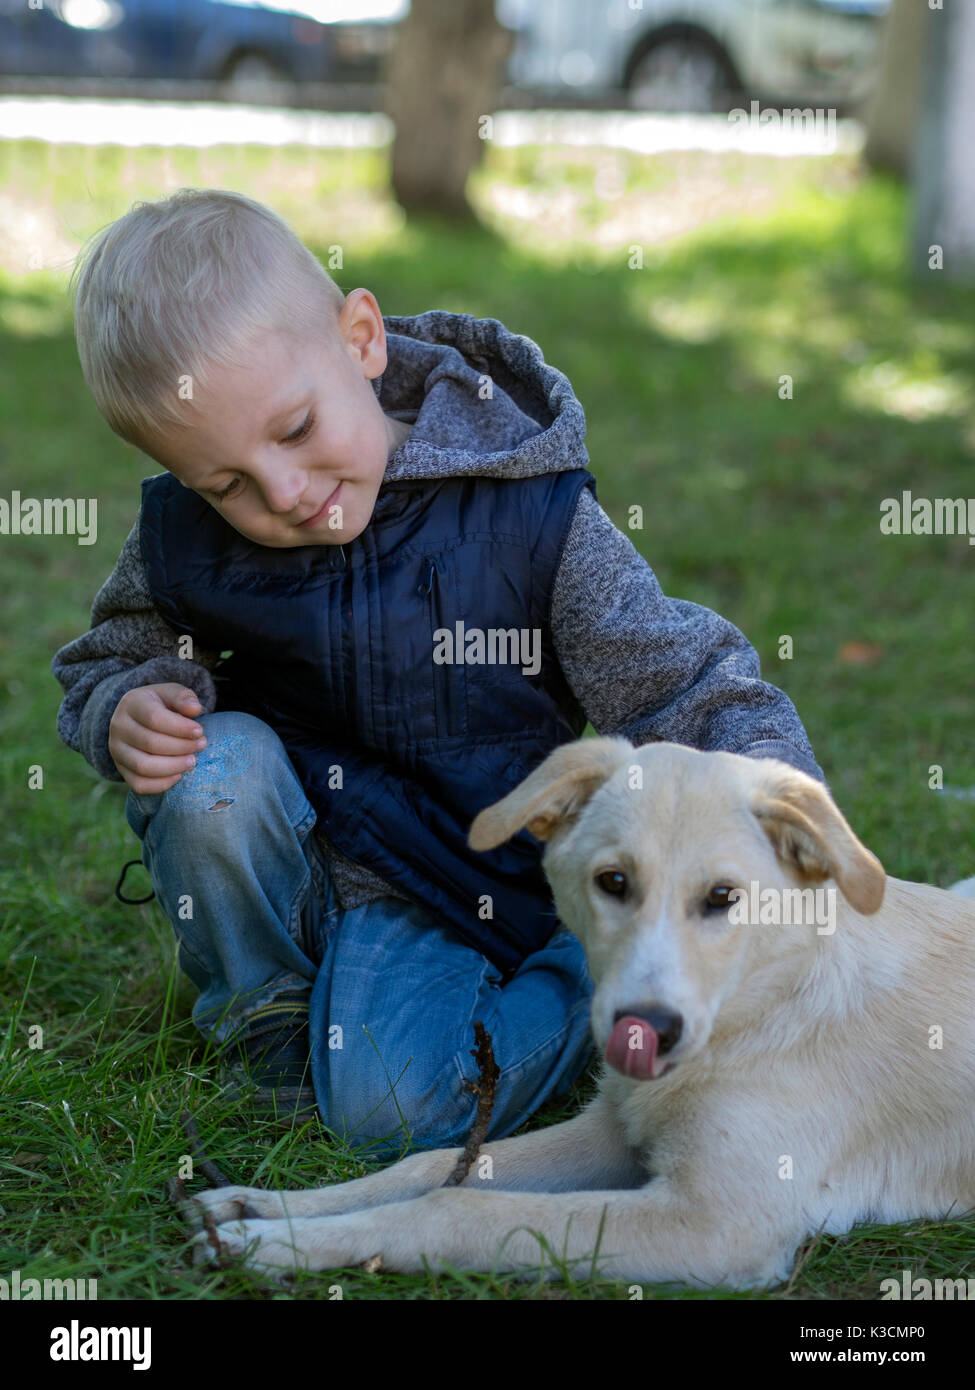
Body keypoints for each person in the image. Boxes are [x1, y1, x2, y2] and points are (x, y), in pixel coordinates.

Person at [51, 188, 827, 1158]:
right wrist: (125, 708)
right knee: (214, 769)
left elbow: (682, 681)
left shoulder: (523, 516)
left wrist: (787, 817)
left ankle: (594, 970)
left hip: (468, 887)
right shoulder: (184, 545)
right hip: (314, 868)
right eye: (227, 484)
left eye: (294, 430)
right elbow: (105, 661)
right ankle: (271, 1027)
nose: (285, 494)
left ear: (362, 340)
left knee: (397, 1115)